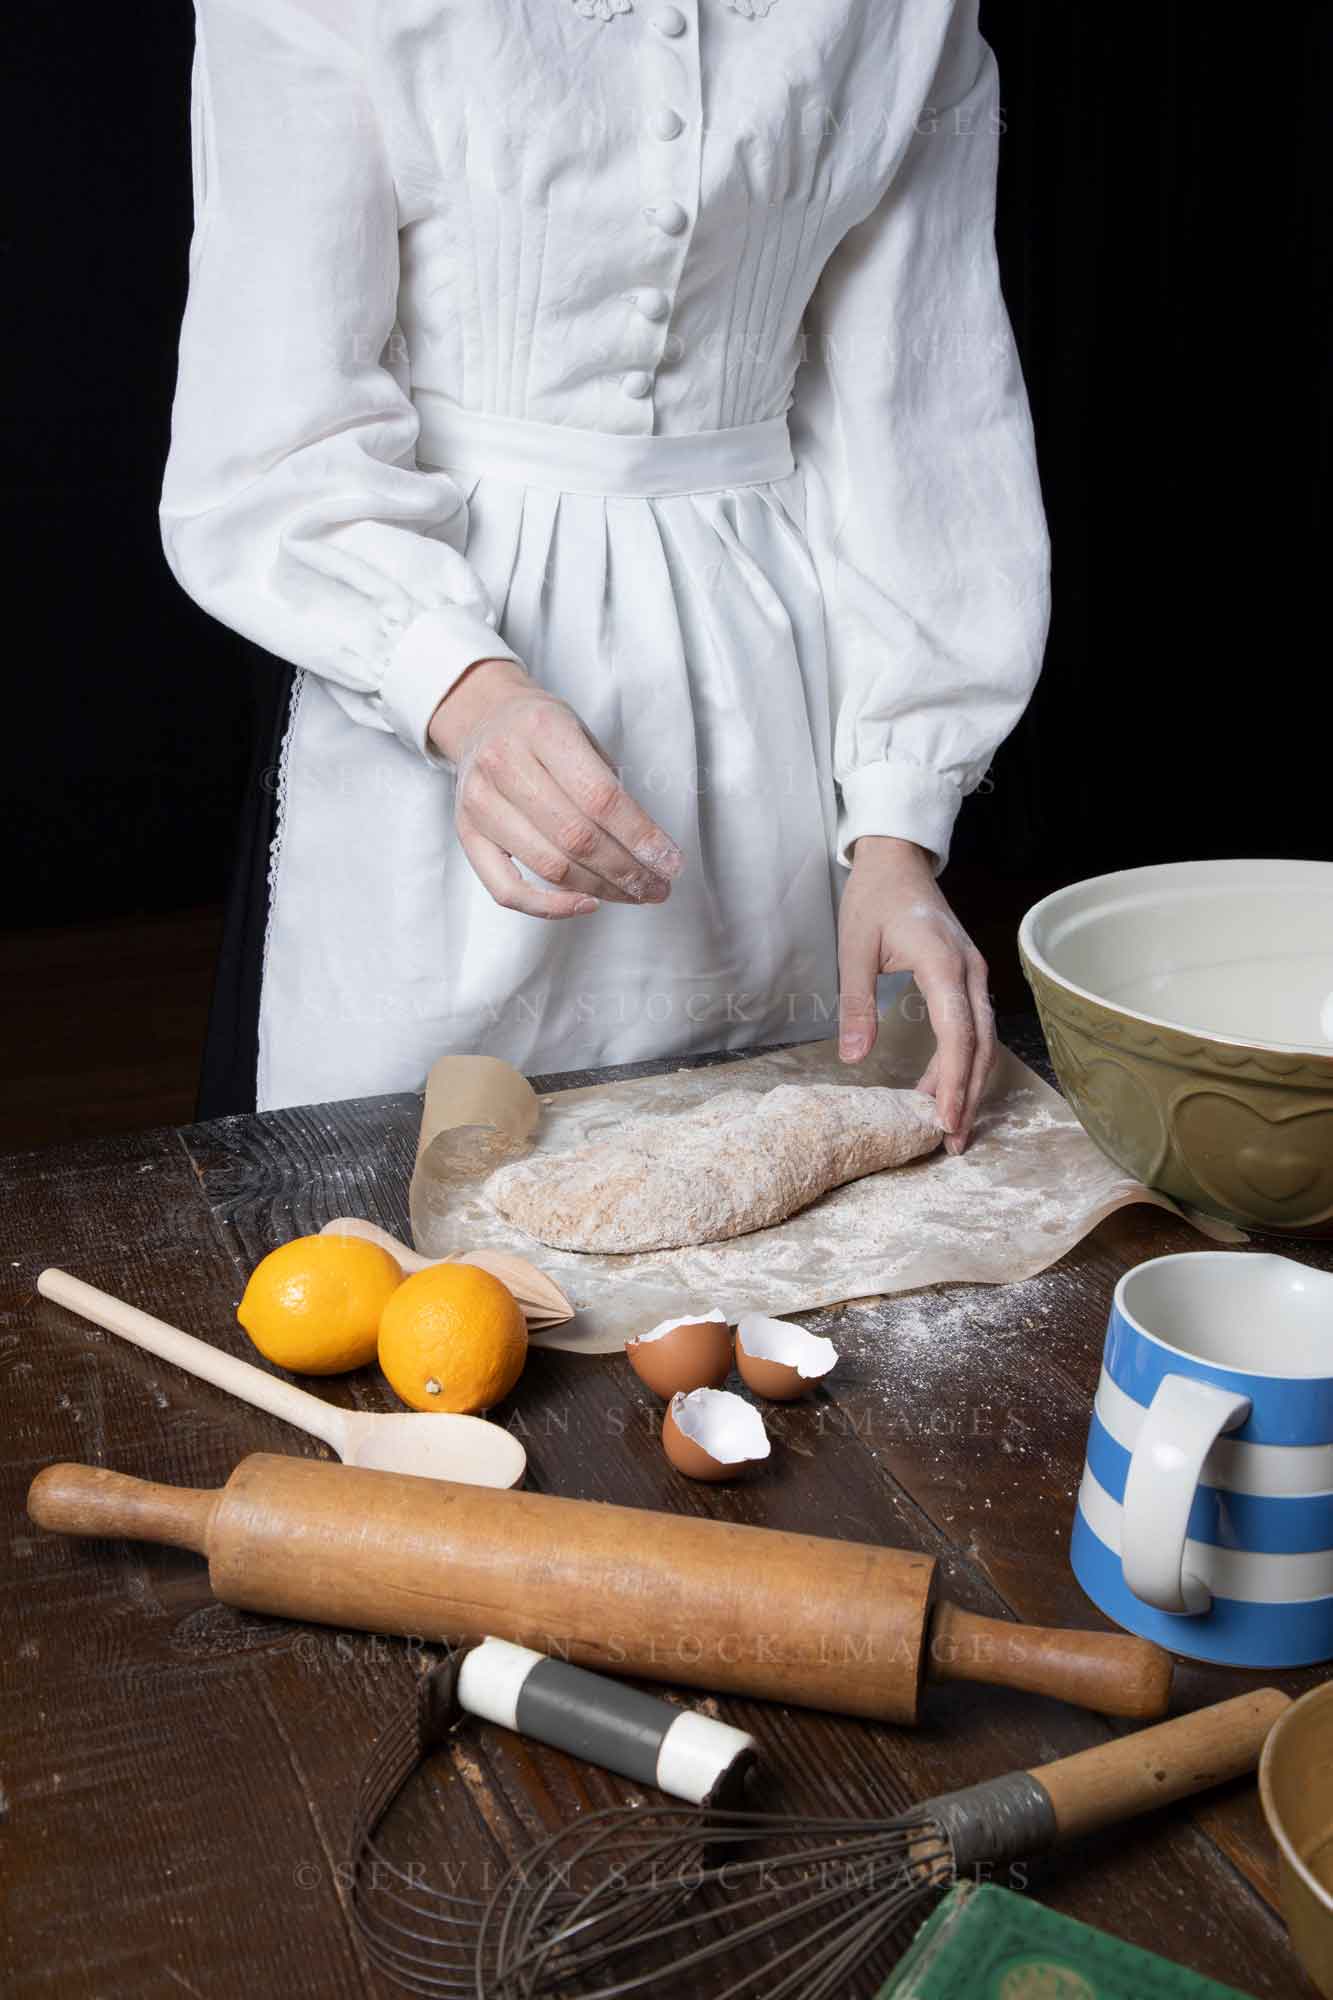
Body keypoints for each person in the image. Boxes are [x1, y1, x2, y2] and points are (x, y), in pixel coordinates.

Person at [159, 0, 1051, 1153]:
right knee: (391, 1233)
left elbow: (925, 419)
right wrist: (463, 691)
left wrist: (894, 830)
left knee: (750, 1199)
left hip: (770, 697)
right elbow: (273, 434)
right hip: (430, 688)